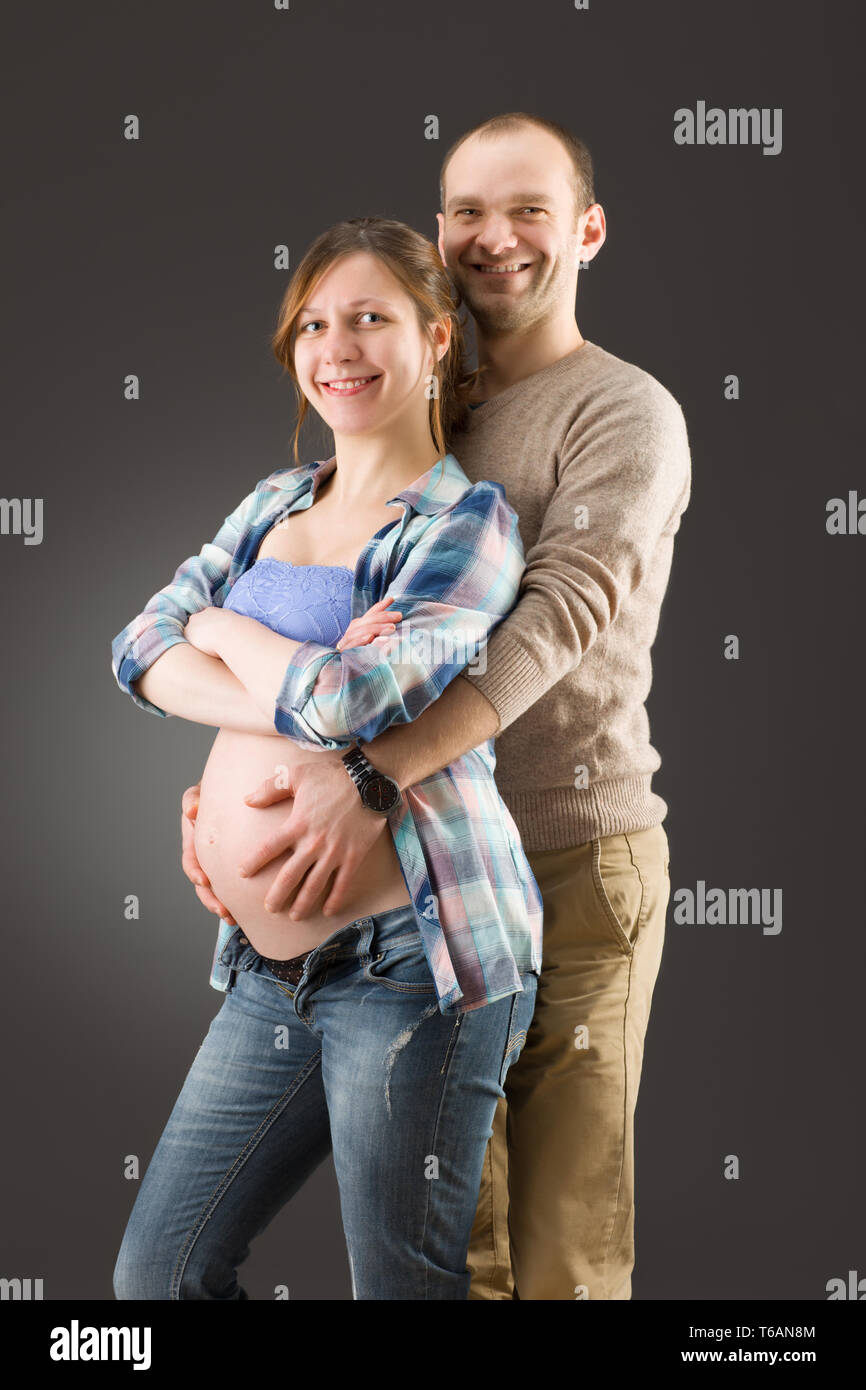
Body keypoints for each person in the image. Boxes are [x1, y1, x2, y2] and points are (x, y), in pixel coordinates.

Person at [181, 112, 693, 1301]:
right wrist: (230, 794)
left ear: (586, 231)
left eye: (528, 210)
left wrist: (367, 778)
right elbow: (309, 627)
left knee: (561, 1249)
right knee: (455, 1247)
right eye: (465, 208)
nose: (493, 236)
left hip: (567, 855)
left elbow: (550, 627)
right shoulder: (421, 395)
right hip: (420, 875)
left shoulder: (620, 411)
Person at [109, 216, 542, 1301]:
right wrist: (278, 689)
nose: (335, 347)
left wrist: (226, 631)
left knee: (399, 1286)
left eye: (369, 318)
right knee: (158, 1280)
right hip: (268, 973)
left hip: (414, 961)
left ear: (435, 338)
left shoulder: (467, 523)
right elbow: (134, 646)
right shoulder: (270, 504)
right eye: (313, 322)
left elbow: (355, 700)